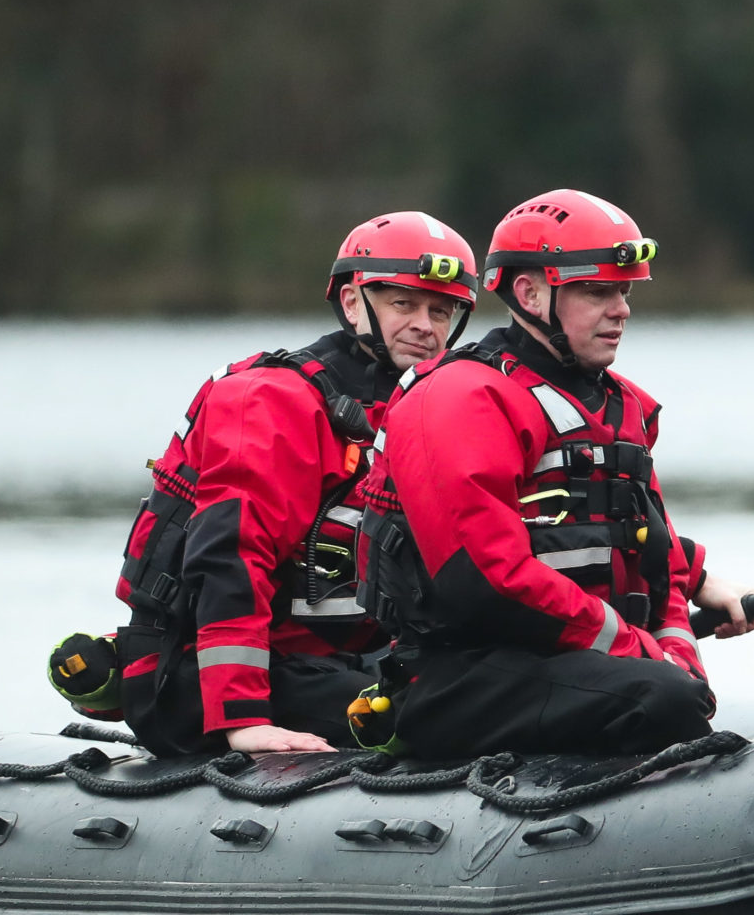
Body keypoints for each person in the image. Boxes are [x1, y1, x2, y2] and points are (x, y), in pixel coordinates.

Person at [350, 188, 754, 763]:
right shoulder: (460, 397)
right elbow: (488, 581)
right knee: (660, 696)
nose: (620, 309)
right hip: (463, 678)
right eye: (597, 291)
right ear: (531, 292)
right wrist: (639, 653)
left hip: (576, 668)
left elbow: (656, 563)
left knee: (672, 690)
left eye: (622, 291)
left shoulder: (625, 408)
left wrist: (677, 652)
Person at [50, 212, 480, 754]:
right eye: (404, 304)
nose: (425, 324)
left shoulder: (421, 411)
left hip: (343, 665)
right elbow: (230, 560)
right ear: (352, 303)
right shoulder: (271, 400)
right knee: (443, 720)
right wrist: (244, 721)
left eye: (441, 311)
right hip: (200, 680)